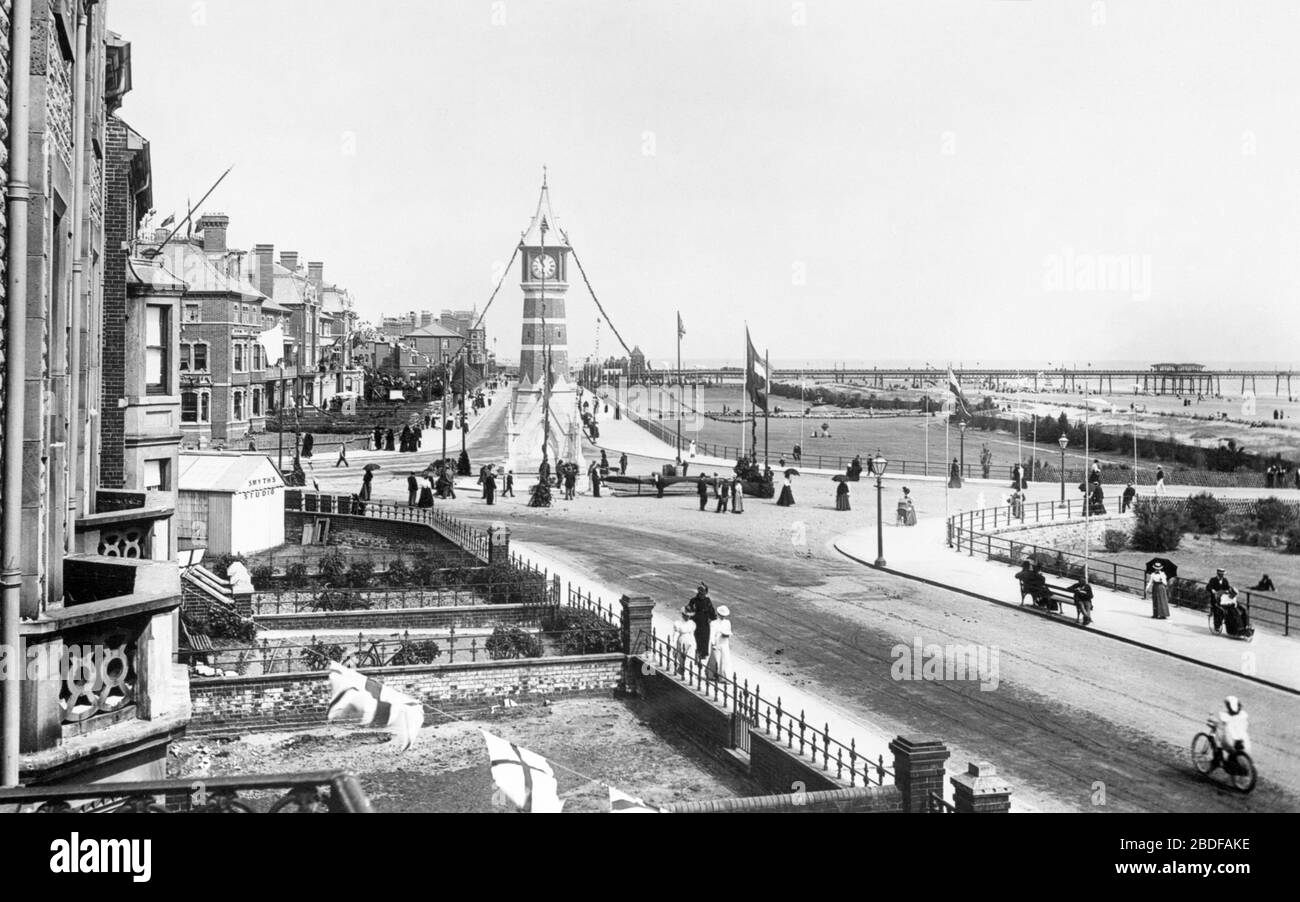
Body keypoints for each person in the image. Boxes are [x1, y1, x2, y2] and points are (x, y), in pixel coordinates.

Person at [684, 585, 717, 663]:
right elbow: (689, 609)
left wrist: (713, 618)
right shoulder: (693, 600)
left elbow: (711, 610)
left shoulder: (707, 600)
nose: (703, 595)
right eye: (701, 593)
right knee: (696, 639)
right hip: (696, 622)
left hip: (705, 623)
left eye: (704, 593)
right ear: (699, 592)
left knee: (704, 638)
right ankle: (696, 654)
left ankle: (702, 655)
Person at [707, 605, 733, 682]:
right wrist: (713, 644)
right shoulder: (714, 623)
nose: (722, 617)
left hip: (724, 642)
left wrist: (727, 635)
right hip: (717, 642)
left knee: (725, 659)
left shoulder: (727, 622)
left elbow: (729, 631)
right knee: (715, 659)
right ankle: (711, 674)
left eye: (724, 616)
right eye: (721, 615)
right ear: (718, 614)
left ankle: (724, 677)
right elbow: (712, 634)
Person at [1206, 567, 1232, 632]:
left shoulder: (1225, 580)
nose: (1222, 576)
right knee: (1217, 611)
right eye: (1220, 574)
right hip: (1215, 600)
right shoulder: (1213, 580)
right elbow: (1209, 586)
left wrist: (1229, 590)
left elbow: (1228, 587)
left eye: (1222, 574)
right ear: (1218, 574)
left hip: (1224, 599)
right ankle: (1217, 626)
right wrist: (1212, 590)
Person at [672, 610, 696, 676]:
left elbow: (692, 633)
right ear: (683, 615)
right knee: (681, 657)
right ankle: (681, 668)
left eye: (688, 616)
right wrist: (674, 645)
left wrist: (693, 643)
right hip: (681, 640)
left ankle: (687, 673)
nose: (687, 617)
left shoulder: (691, 623)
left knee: (690, 657)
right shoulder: (678, 623)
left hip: (690, 641)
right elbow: (675, 634)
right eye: (685, 615)